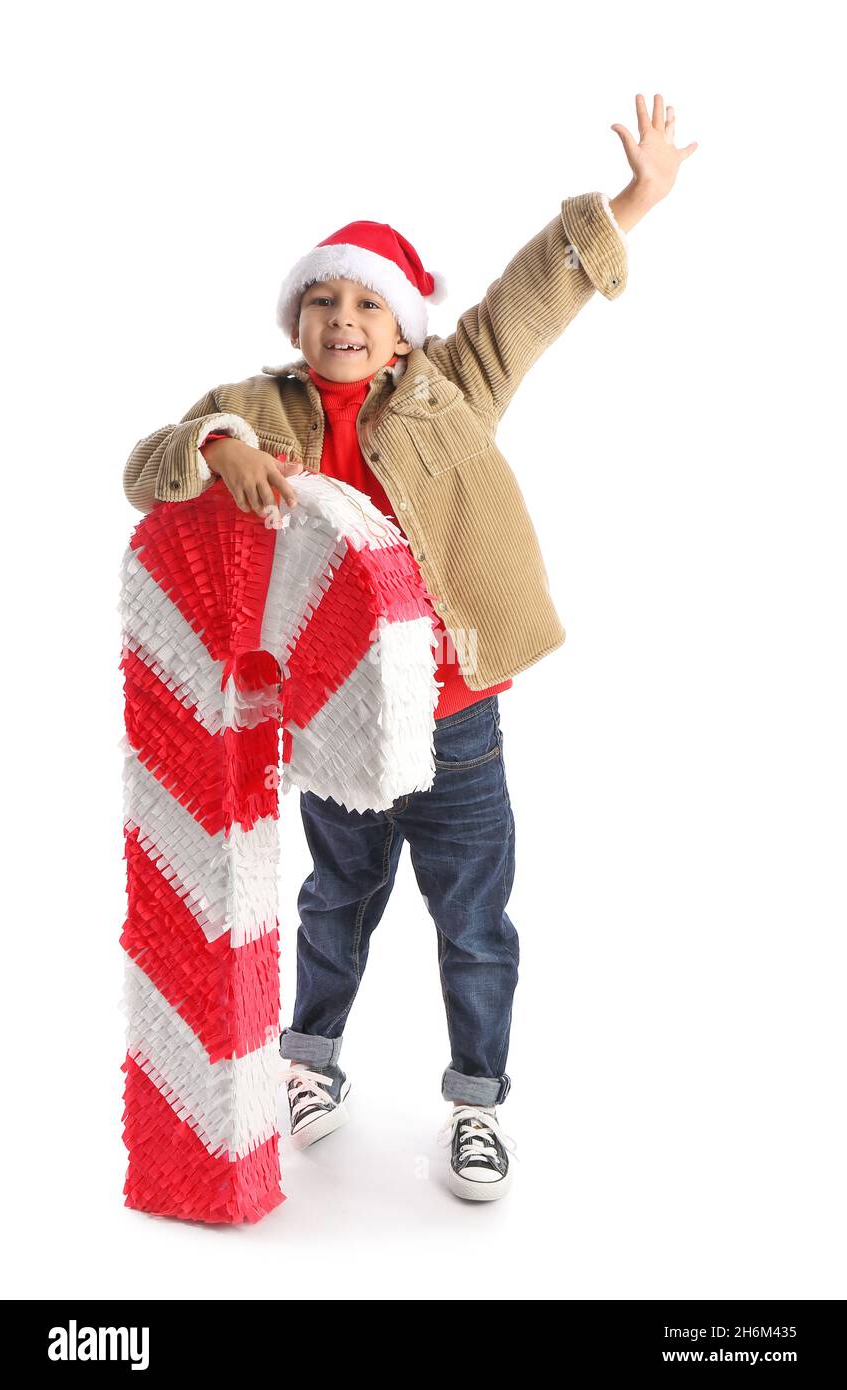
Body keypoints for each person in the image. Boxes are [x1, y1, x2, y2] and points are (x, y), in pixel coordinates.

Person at [123, 94, 697, 1202]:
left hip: (456, 713)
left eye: (369, 304)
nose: (344, 319)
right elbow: (147, 469)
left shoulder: (453, 390)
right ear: (298, 321)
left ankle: (478, 1104)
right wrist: (217, 440)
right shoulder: (256, 404)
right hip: (334, 723)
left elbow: (534, 298)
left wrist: (634, 198)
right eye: (323, 300)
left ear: (404, 329)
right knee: (334, 903)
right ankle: (312, 1062)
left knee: (474, 918)